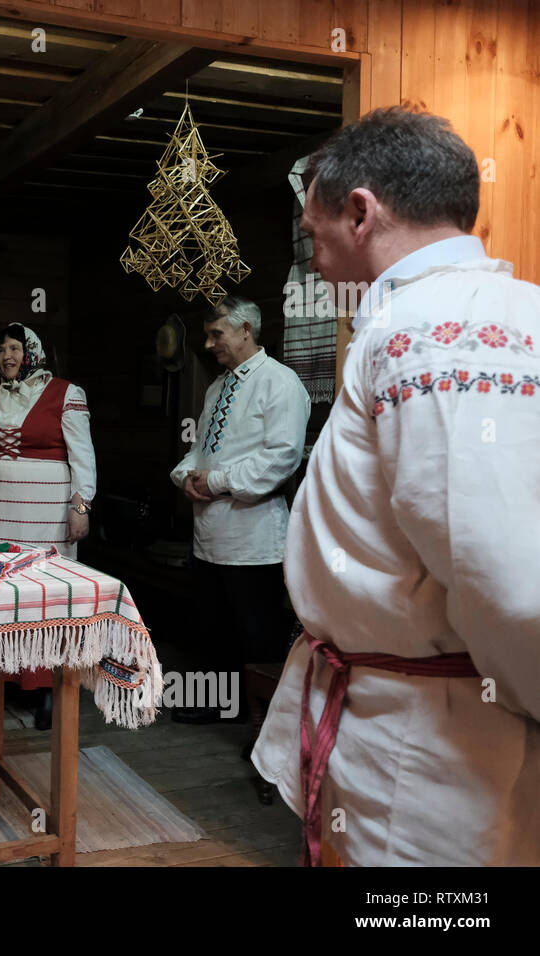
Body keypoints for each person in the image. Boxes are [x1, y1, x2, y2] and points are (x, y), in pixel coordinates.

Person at [252, 107, 540, 866]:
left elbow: (509, 580)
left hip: (434, 753)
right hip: (423, 721)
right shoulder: (508, 313)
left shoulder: (435, 331)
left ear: (360, 211)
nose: (311, 257)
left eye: (312, 233)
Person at [0, 323, 95, 728]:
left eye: (15, 349)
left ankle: (44, 685)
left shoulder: (66, 393)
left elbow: (83, 457)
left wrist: (81, 506)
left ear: (31, 352)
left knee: (43, 592)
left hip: (43, 511)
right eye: (1, 350)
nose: (7, 356)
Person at [168, 297, 309, 723]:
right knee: (214, 629)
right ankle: (220, 705)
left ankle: (270, 725)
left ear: (246, 329)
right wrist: (187, 475)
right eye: (208, 335)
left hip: (254, 537)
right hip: (209, 532)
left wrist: (216, 481)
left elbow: (282, 456)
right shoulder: (218, 386)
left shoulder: (280, 383)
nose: (210, 344)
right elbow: (201, 450)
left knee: (257, 633)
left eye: (217, 334)